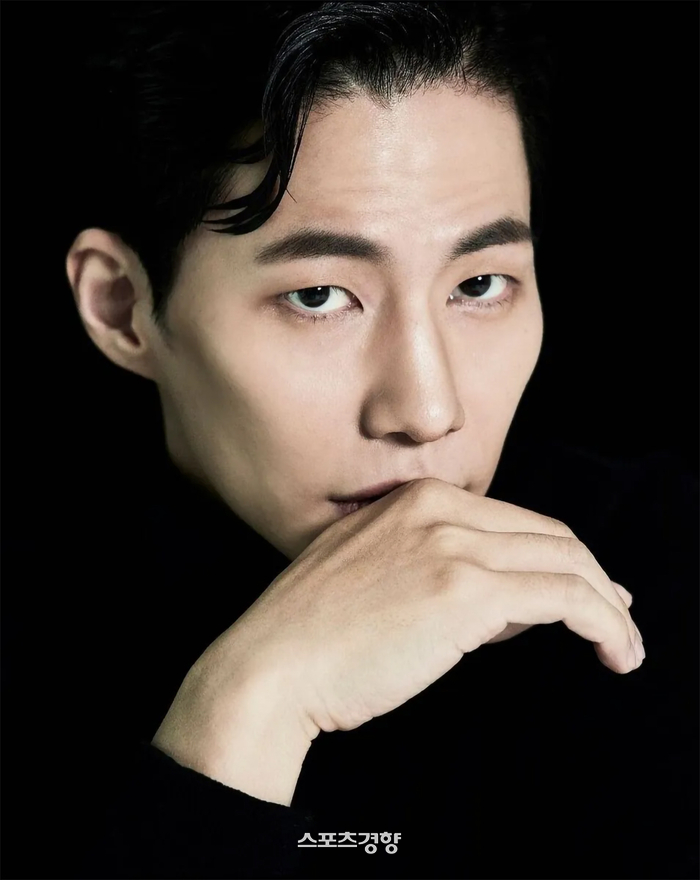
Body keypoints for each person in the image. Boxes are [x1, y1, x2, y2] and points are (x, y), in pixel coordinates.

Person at [5, 2, 697, 878]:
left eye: (479, 284)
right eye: (320, 297)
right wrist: (252, 711)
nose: (428, 410)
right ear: (122, 306)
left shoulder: (660, 566)